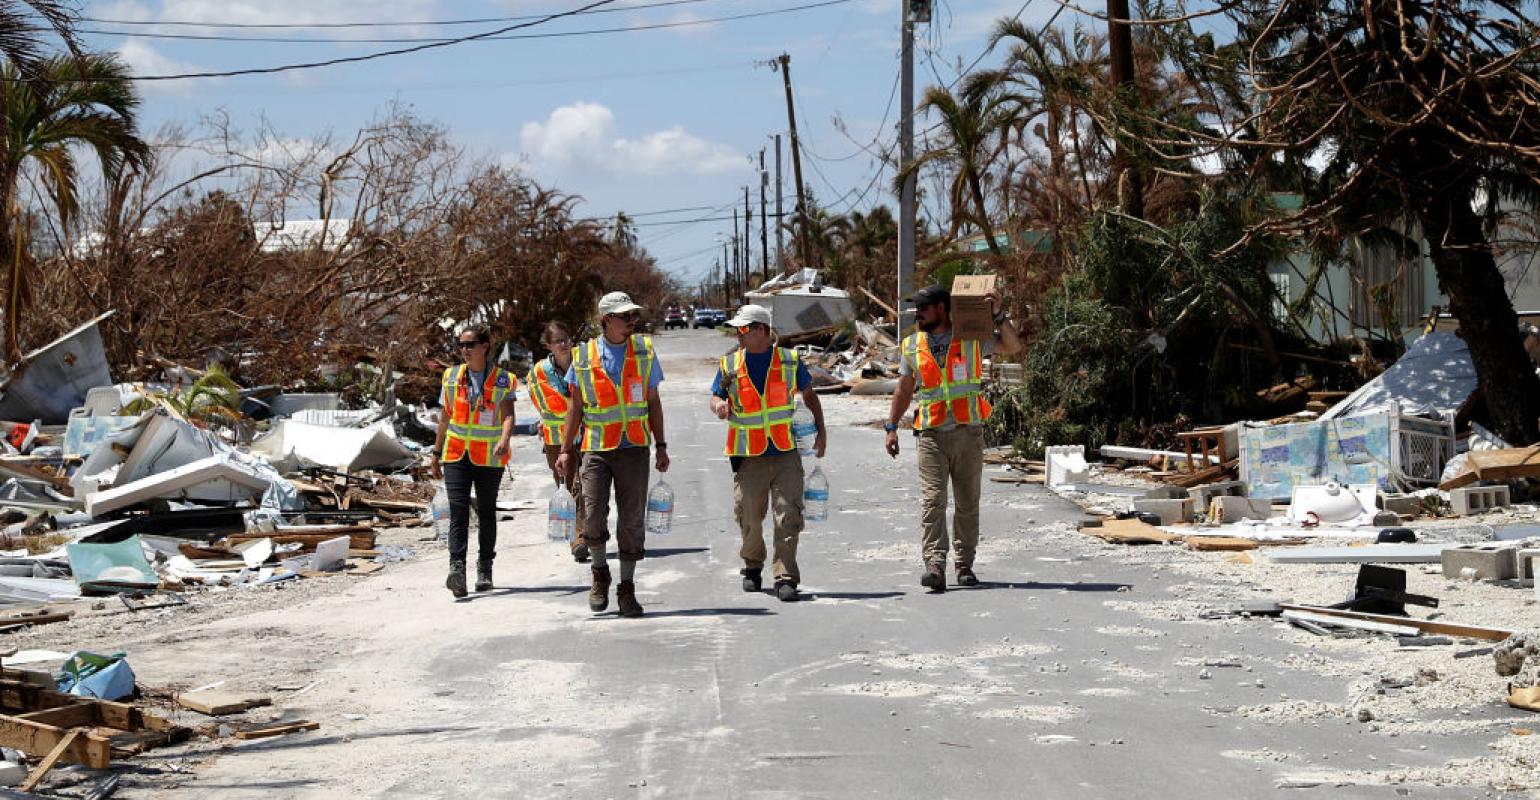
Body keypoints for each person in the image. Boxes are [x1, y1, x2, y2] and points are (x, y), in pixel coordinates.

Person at [883, 284, 1022, 592]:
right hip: (931, 435)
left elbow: (1012, 347)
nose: (918, 313)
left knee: (967, 502)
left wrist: (999, 315)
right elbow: (904, 389)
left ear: (942, 309)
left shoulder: (972, 337)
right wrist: (891, 427)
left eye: (924, 307)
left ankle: (964, 564)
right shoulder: (911, 345)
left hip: (968, 432)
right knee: (933, 501)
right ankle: (934, 563)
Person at [555, 292, 670, 618]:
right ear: (606, 319)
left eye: (633, 314)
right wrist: (565, 451)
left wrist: (661, 445)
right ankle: (599, 573)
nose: (631, 320)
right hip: (596, 448)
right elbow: (575, 407)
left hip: (633, 446)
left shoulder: (644, 351)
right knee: (592, 516)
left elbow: (653, 402)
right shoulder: (584, 356)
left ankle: (627, 589)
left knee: (632, 520)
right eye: (624, 316)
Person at [710, 305, 826, 601]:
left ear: (761, 330)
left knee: (788, 513)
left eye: (744, 329)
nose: (738, 334)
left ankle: (785, 575)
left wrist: (821, 433)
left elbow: (809, 395)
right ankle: (752, 565)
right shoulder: (730, 365)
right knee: (749, 515)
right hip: (748, 455)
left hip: (785, 451)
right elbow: (715, 395)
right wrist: (719, 406)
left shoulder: (788, 361)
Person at [431, 325, 517, 598]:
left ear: (485, 346)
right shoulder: (452, 376)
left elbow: (508, 415)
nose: (465, 350)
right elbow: (445, 416)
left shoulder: (503, 379)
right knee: (458, 510)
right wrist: (435, 453)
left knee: (487, 511)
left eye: (470, 344)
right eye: (461, 345)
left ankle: (485, 568)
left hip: (490, 456)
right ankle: (456, 570)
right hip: (456, 454)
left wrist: (504, 439)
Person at [527, 321, 590, 563]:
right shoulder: (539, 373)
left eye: (566, 338)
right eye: (558, 341)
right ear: (548, 346)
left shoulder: (584, 363)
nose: (564, 344)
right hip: (556, 440)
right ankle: (581, 535)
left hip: (586, 435)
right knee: (565, 485)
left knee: (583, 485)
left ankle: (581, 538)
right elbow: (538, 401)